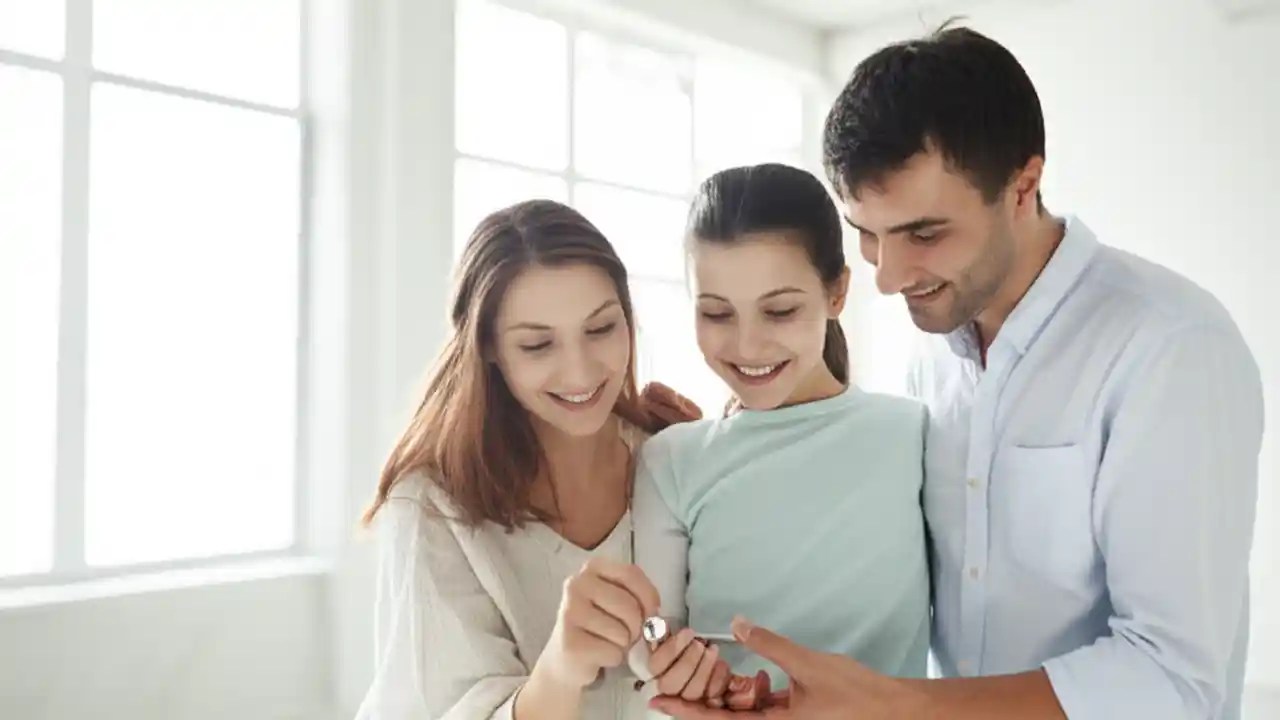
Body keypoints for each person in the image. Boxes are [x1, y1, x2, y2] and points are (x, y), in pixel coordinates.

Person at [649, 25, 1265, 720]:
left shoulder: (1168, 347)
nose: (887, 276)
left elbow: (1175, 678)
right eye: (867, 234)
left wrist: (897, 704)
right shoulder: (931, 359)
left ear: (1024, 185)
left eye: (924, 233)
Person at [355, 199, 681, 719]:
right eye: (536, 345)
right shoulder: (432, 507)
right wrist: (559, 671)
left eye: (600, 329)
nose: (579, 373)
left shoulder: (672, 457)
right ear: (488, 348)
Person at [630, 164, 931, 711]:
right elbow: (653, 626)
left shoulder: (913, 436)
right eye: (716, 312)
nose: (748, 344)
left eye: (781, 310)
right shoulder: (671, 459)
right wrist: (662, 654)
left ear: (837, 293)